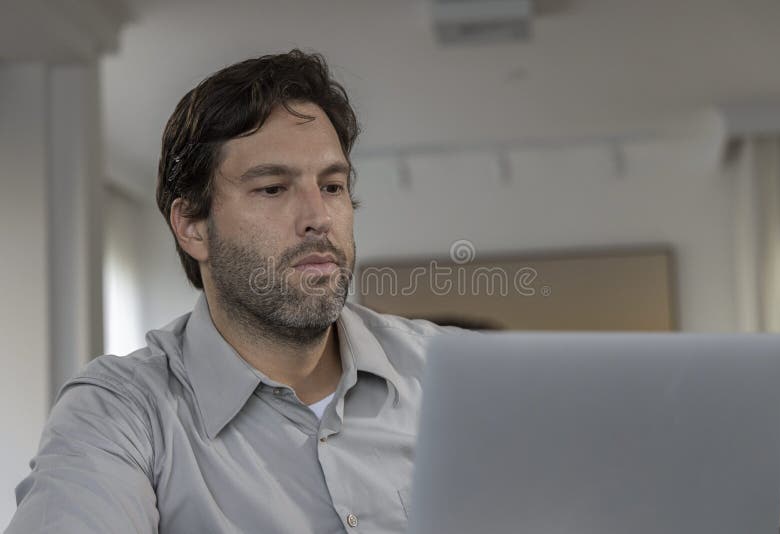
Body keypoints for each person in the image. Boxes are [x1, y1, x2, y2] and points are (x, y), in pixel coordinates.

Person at [8, 50, 459, 533]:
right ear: (193, 227)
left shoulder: (455, 373)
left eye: (332, 186)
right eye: (272, 189)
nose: (318, 218)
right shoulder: (121, 415)